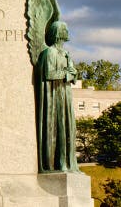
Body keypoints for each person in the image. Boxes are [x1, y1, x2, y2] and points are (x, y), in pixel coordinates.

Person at [36, 21, 80, 173]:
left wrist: (72, 73)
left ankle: (69, 163)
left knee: (69, 128)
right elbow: (49, 74)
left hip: (65, 94)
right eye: (64, 29)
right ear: (58, 33)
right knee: (58, 127)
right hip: (54, 95)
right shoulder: (50, 53)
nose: (67, 32)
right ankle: (58, 163)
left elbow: (73, 73)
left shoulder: (66, 54)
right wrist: (68, 74)